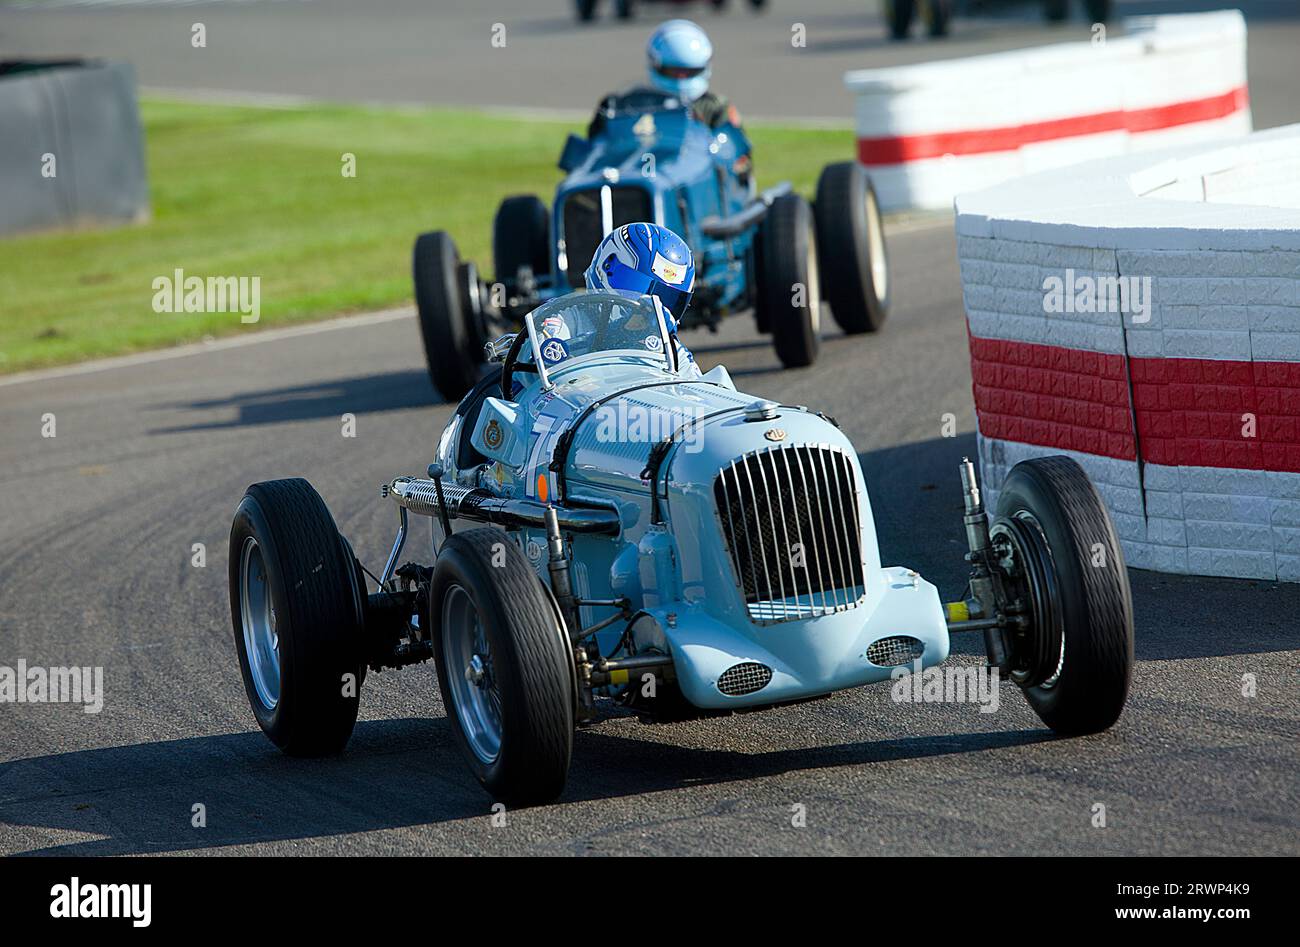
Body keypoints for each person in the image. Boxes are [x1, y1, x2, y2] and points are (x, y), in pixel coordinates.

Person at [586, 19, 742, 140]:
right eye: (674, 71)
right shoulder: (623, 106)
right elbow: (596, 149)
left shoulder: (715, 109)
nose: (681, 78)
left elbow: (737, 162)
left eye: (688, 72)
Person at [584, 223, 701, 377]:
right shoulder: (567, 321)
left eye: (667, 299)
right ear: (606, 267)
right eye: (637, 287)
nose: (650, 306)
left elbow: (699, 388)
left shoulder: (670, 349)